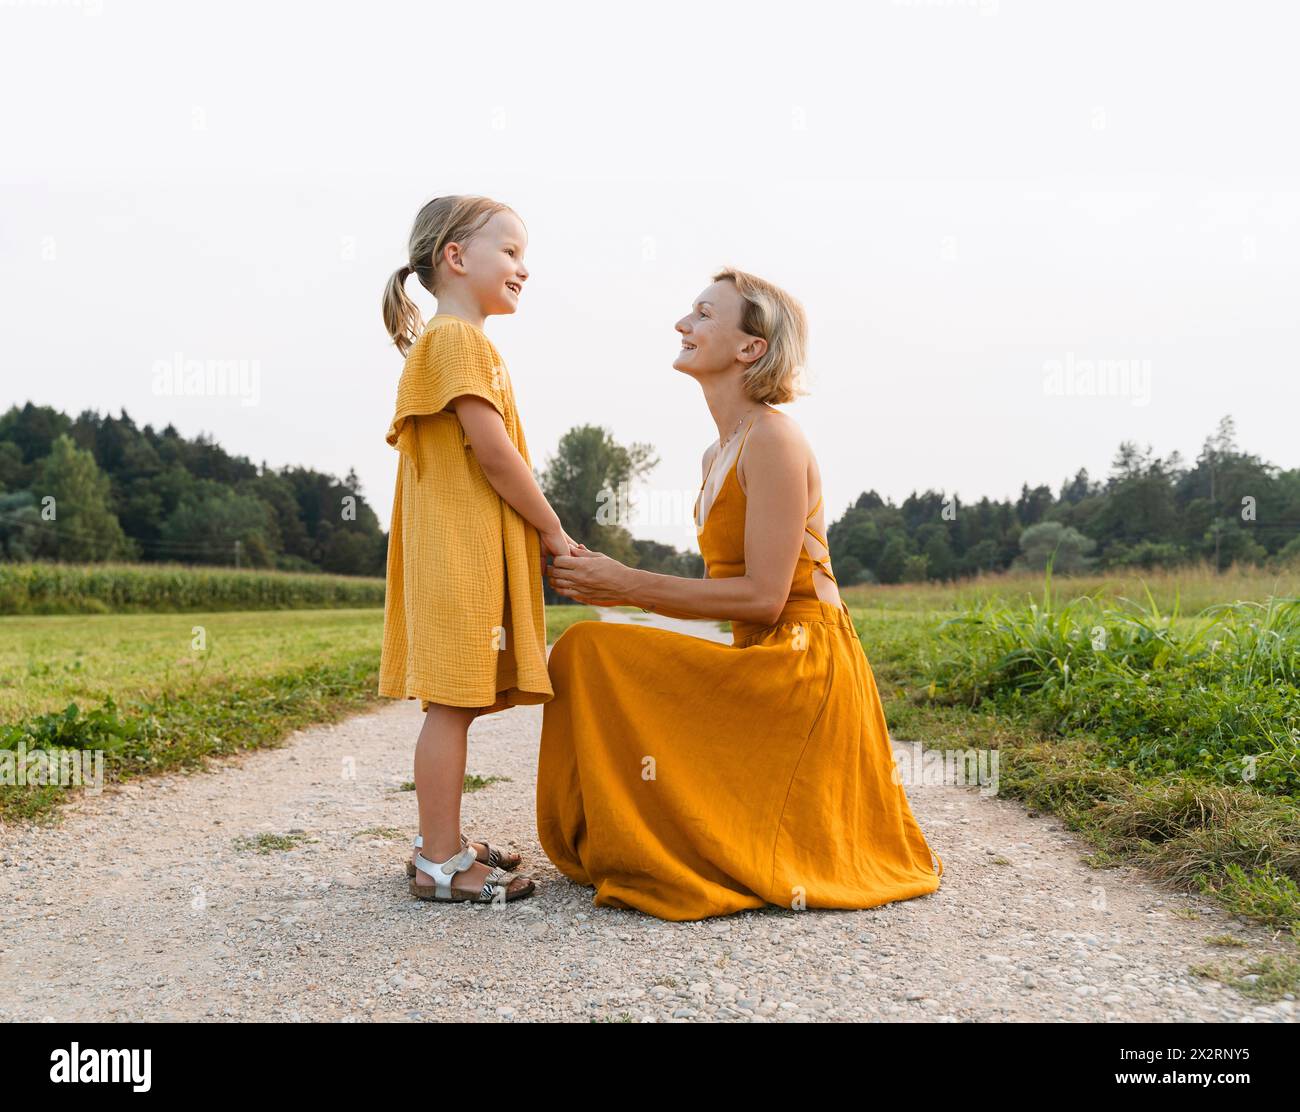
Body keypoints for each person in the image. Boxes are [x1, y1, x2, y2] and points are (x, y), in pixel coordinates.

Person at [541, 266, 944, 922]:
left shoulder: (775, 438)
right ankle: (647, 831)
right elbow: (720, 596)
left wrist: (625, 584)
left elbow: (760, 597)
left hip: (804, 668)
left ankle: (674, 842)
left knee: (589, 649)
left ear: (750, 347)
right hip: (761, 654)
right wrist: (599, 578)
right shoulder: (716, 453)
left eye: (703, 314)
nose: (683, 323)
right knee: (589, 651)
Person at [379, 194, 578, 904]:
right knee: (452, 706)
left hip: (453, 553)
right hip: (456, 558)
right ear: (455, 258)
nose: (525, 268)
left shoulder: (453, 342)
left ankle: (444, 842)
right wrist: (554, 530)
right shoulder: (458, 342)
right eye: (512, 251)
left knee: (453, 702)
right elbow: (495, 456)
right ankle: (439, 861)